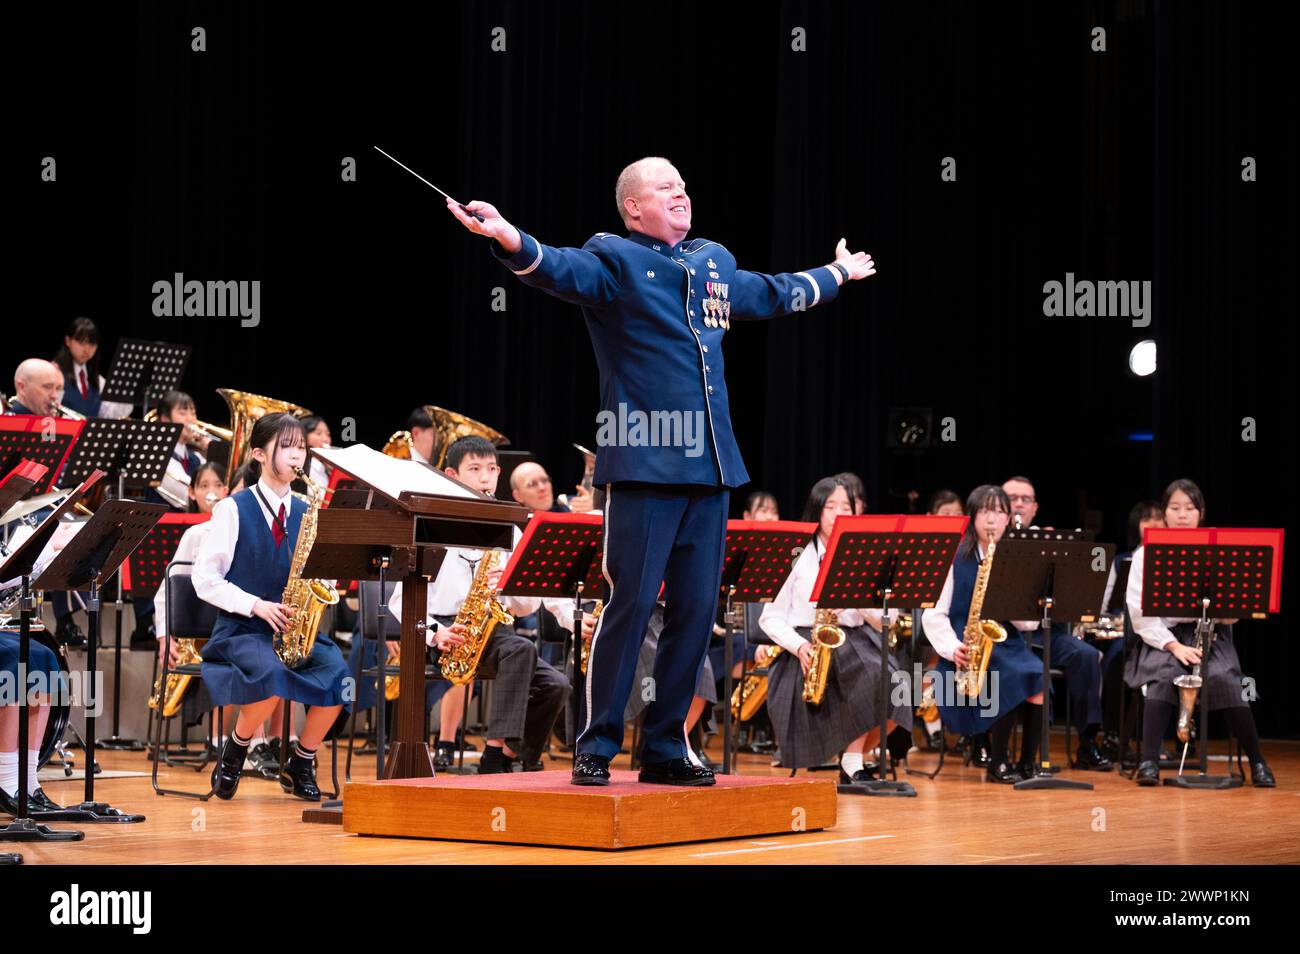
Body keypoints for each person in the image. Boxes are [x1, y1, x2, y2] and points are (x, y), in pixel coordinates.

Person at [448, 156, 877, 786]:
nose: (681, 194)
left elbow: (775, 291)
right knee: (629, 605)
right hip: (645, 463)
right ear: (633, 207)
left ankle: (665, 747)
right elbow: (559, 270)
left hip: (710, 470)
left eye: (683, 185)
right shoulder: (615, 258)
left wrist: (837, 272)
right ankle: (596, 742)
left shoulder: (713, 261)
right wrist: (510, 238)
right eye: (664, 188)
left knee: (696, 614)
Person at [388, 436, 571, 774]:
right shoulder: (430, 524)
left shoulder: (509, 529)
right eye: (475, 469)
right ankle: (494, 759)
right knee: (520, 650)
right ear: (452, 474)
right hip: (446, 632)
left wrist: (512, 583)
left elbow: (525, 608)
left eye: (491, 469)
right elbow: (400, 602)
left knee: (556, 685)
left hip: (493, 631)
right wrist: (435, 633)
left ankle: (513, 759)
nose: (486, 478)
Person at [192, 413, 349, 801]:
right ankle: (236, 749)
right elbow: (205, 580)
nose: (298, 456)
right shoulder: (232, 509)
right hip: (242, 628)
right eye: (288, 447)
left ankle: (301, 760)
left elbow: (319, 574)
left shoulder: (306, 511)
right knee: (272, 675)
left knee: (341, 678)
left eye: (302, 447)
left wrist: (323, 582)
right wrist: (256, 605)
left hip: (292, 628)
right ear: (260, 454)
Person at [759, 476, 910, 781]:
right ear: (817, 510)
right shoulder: (796, 554)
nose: (839, 513)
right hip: (806, 641)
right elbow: (769, 618)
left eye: (847, 506)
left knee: (897, 685)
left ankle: (853, 759)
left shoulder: (867, 553)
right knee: (870, 675)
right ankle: (852, 762)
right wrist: (799, 646)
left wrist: (858, 597)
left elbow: (889, 618)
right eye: (831, 506)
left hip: (858, 638)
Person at [1124, 479, 1274, 787]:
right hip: (1164, 637)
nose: (1182, 515)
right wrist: (1173, 645)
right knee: (1163, 677)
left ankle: (1258, 761)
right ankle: (1149, 761)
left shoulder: (1219, 549)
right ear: (1164, 513)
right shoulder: (1145, 553)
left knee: (1226, 680)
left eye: (1190, 508)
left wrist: (1231, 611)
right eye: (1175, 508)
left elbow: (1231, 613)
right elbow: (1139, 613)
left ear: (1201, 513)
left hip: (1210, 635)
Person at [922, 485, 1045, 782]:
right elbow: (933, 615)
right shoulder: (954, 559)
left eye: (999, 511)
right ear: (972, 517)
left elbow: (1028, 625)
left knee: (1037, 674)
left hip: (1007, 643)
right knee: (1007, 676)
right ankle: (998, 762)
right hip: (965, 651)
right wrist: (952, 648)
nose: (991, 519)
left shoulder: (1016, 559)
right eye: (984, 511)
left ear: (1007, 518)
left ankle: (1028, 762)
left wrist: (1022, 602)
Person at [1001, 475, 1112, 770]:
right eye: (1013, 498)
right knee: (1025, 668)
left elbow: (1071, 594)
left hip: (1047, 633)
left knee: (1086, 656)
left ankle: (1087, 742)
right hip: (1005, 635)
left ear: (1035, 508)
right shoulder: (992, 540)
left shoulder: (1049, 541)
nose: (1019, 505)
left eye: (1026, 499)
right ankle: (1004, 748)